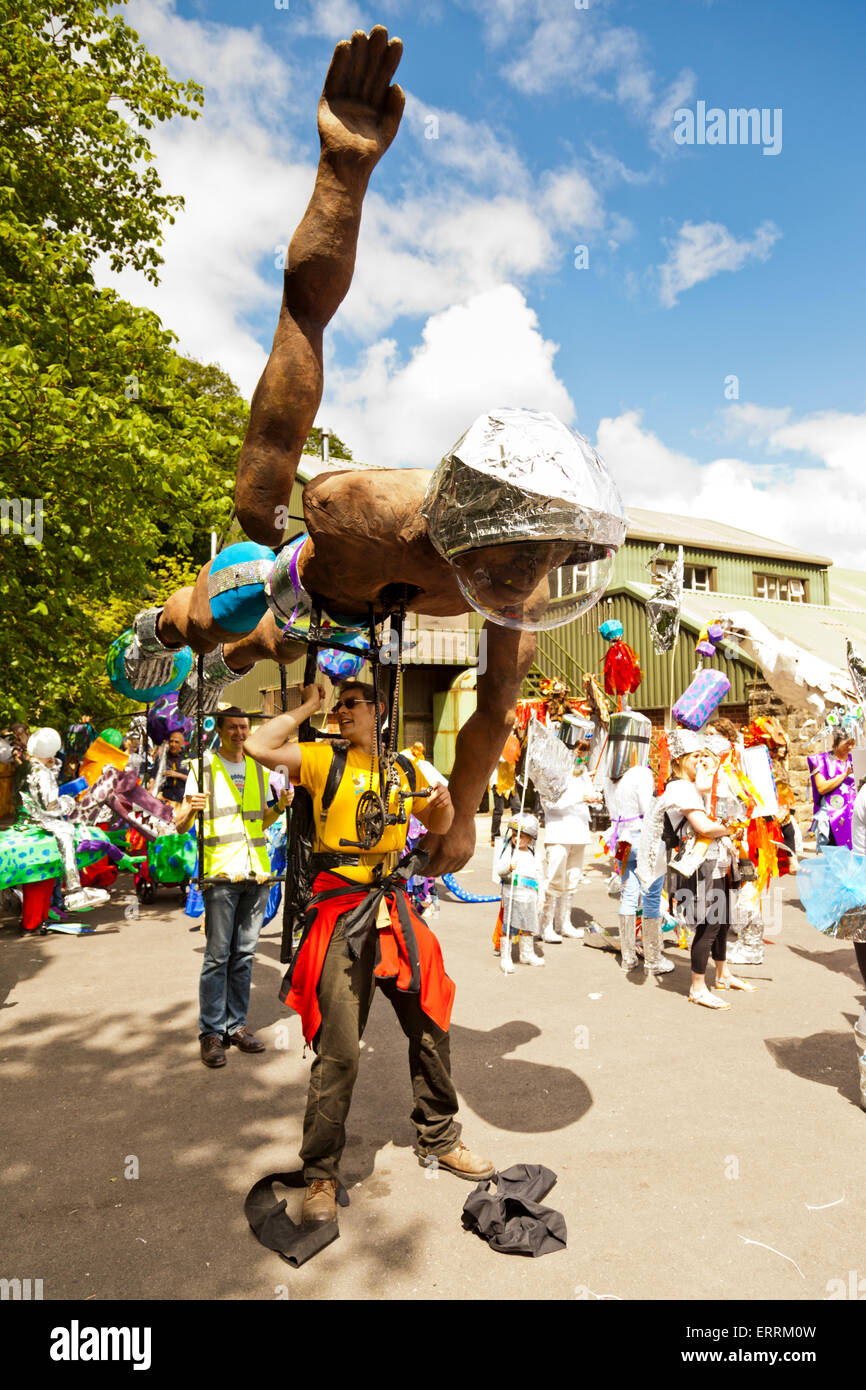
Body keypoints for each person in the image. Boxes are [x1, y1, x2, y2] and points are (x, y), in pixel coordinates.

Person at [119, 26, 627, 886]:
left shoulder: (522, 591)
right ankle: (160, 628)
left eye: (549, 556)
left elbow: (496, 702)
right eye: (523, 554)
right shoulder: (361, 506)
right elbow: (299, 334)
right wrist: (341, 174)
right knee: (233, 604)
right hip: (302, 592)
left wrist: (464, 811)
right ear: (473, 524)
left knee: (279, 639)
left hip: (370, 623)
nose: (532, 573)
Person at [244, 678, 494, 1223]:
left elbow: (438, 824)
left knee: (432, 1023)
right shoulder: (320, 759)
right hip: (341, 911)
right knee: (341, 1050)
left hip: (394, 907)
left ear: (379, 710)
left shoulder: (406, 768)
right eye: (338, 706)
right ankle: (320, 1173)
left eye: (350, 705)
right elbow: (258, 746)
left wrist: (444, 807)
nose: (341, 713)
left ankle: (440, 1138)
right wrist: (309, 707)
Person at [175, 707, 291, 1069]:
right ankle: (211, 1033)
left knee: (243, 955)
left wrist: (279, 807)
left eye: (244, 728)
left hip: (256, 875)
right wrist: (190, 809)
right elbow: (180, 824)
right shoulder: (201, 768)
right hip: (221, 876)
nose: (240, 733)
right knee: (217, 957)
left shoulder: (258, 769)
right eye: (233, 728)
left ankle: (235, 1026)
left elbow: (259, 822)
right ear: (221, 731)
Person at [639, 731, 754, 1009]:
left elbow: (717, 805)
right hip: (700, 864)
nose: (701, 761)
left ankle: (722, 974)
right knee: (709, 923)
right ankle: (698, 986)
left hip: (718, 859)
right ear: (680, 759)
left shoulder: (694, 785)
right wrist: (733, 828)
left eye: (704, 756)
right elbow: (703, 827)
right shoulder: (680, 788)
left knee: (723, 920)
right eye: (696, 757)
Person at [537, 722, 601, 944]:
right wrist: (580, 797)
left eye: (585, 751)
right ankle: (545, 925)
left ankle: (564, 923)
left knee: (572, 878)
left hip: (579, 831)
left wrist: (595, 797)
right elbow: (550, 803)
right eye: (579, 750)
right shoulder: (551, 771)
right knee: (555, 878)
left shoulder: (582, 772)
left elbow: (588, 794)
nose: (582, 755)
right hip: (559, 831)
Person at [608, 760, 671, 975]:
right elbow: (648, 810)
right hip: (643, 838)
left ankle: (628, 958)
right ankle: (653, 960)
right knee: (651, 897)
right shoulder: (641, 773)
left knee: (628, 896)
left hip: (622, 840)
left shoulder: (611, 775)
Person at [495, 813, 544, 971]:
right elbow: (499, 870)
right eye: (515, 834)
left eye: (521, 836)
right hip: (512, 895)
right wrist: (509, 867)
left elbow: (540, 877)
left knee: (528, 927)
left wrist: (541, 897)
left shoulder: (534, 855)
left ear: (530, 838)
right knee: (509, 928)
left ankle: (527, 953)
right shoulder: (509, 852)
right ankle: (506, 957)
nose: (517, 838)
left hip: (529, 896)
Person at [808, 729, 855, 852]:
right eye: (847, 743)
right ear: (836, 741)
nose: (850, 747)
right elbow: (822, 788)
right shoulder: (821, 760)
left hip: (854, 816)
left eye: (852, 743)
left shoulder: (855, 759)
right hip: (832, 817)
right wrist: (844, 775)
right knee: (835, 855)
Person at [489, 730, 520, 845]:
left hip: (511, 782)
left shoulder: (514, 741)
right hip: (498, 782)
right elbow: (500, 759)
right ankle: (495, 836)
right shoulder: (497, 741)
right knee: (498, 810)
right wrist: (511, 751)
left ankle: (516, 833)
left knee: (516, 807)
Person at [151, 730, 189, 805]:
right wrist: (151, 786)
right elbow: (153, 776)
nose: (173, 744)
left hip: (183, 800)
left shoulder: (189, 758)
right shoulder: (162, 758)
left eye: (176, 742)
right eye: (171, 741)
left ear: (182, 744)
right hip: (164, 799)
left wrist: (177, 775)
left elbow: (195, 781)